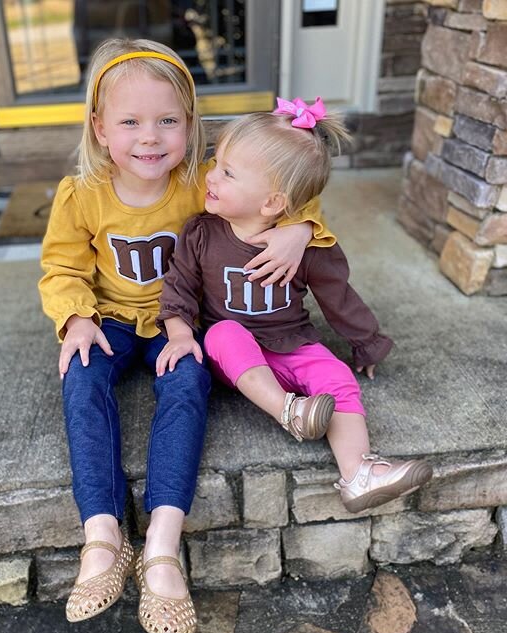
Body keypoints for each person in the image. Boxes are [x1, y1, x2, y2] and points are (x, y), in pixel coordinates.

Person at [39, 39, 333, 633]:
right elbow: (63, 268)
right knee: (82, 376)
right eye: (130, 122)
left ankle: (163, 547)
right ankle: (103, 536)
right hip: (110, 318)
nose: (150, 138)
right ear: (99, 128)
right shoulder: (81, 195)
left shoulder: (201, 183)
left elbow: (284, 187)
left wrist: (300, 229)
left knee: (189, 381)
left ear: (190, 125)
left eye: (168, 121)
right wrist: (76, 318)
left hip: (182, 322)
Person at [156, 97, 433, 517]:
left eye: (227, 173)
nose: (210, 176)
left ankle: (358, 472)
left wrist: (367, 342)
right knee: (222, 332)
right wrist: (178, 333)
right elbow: (177, 288)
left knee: (336, 376)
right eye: (217, 163)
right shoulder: (201, 234)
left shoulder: (305, 247)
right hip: (236, 359)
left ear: (271, 202)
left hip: (292, 343)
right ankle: (288, 411)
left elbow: (338, 297)